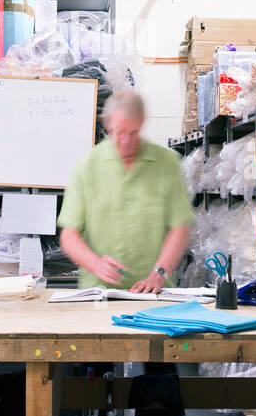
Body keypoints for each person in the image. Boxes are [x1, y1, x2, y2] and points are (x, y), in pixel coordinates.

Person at [58, 90, 195, 292]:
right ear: (107, 125)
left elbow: (181, 227)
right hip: (99, 292)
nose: (127, 142)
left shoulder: (167, 163)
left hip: (152, 292)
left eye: (134, 132)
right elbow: (68, 235)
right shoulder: (86, 167)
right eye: (120, 132)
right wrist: (96, 264)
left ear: (142, 124)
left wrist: (159, 273)